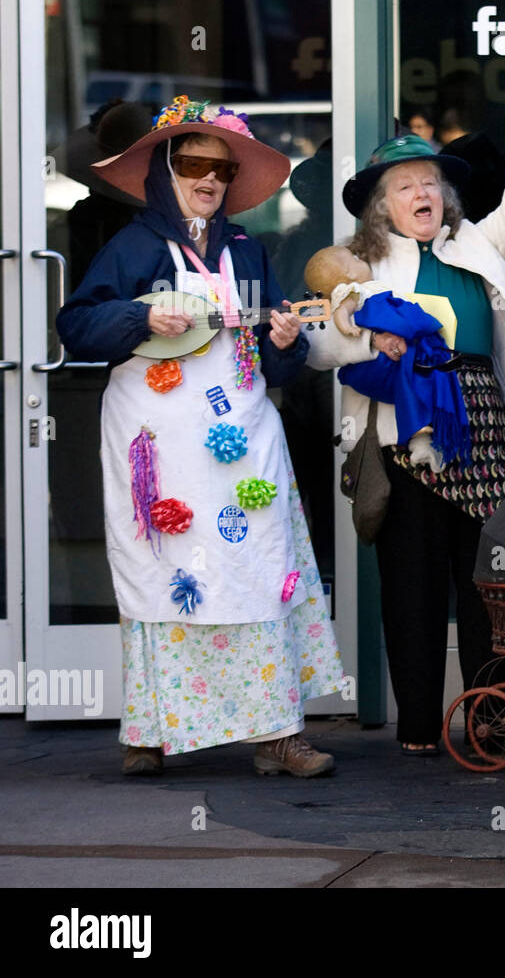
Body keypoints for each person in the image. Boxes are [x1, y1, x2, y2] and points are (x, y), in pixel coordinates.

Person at [57, 96, 344, 777]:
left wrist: (284, 340)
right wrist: (137, 316)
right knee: (164, 576)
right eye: (192, 163)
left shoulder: (248, 250)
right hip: (162, 450)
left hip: (243, 442)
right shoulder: (132, 245)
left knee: (256, 572)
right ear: (164, 170)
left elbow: (275, 360)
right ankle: (151, 730)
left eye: (220, 167)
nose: (208, 178)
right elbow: (77, 327)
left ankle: (278, 735)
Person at [306, 88, 505, 756]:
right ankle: (419, 726)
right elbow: (321, 347)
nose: (422, 193)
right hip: (402, 434)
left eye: (430, 182)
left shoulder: (475, 244)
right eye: (404, 186)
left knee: (493, 581)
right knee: (412, 587)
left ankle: (498, 717)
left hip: (481, 422)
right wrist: (373, 340)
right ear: (380, 205)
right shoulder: (356, 265)